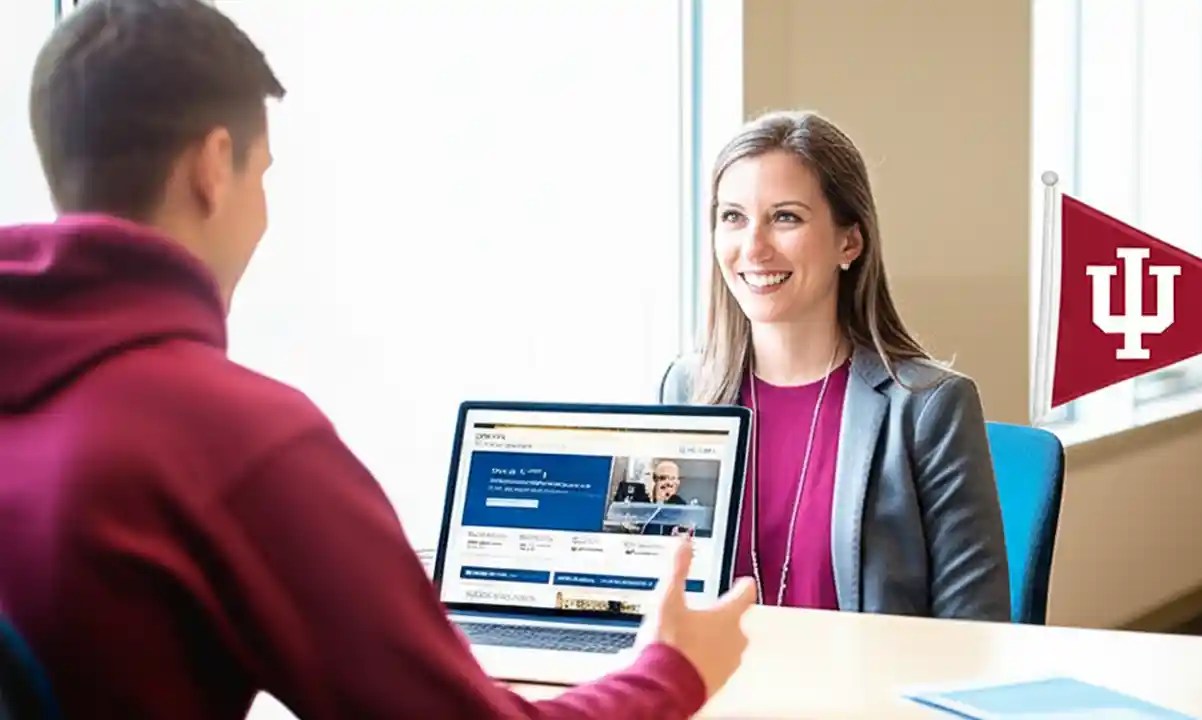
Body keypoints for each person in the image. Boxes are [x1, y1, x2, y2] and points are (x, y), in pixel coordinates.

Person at [0, 1, 757, 718]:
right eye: (261, 175)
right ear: (212, 166)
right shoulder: (232, 440)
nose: (263, 213)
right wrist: (672, 669)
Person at [659, 110, 1011, 619]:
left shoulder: (928, 408)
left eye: (785, 217)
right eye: (733, 217)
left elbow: (975, 628)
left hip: (862, 696)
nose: (753, 248)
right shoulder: (684, 388)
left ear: (850, 241)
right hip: (714, 695)